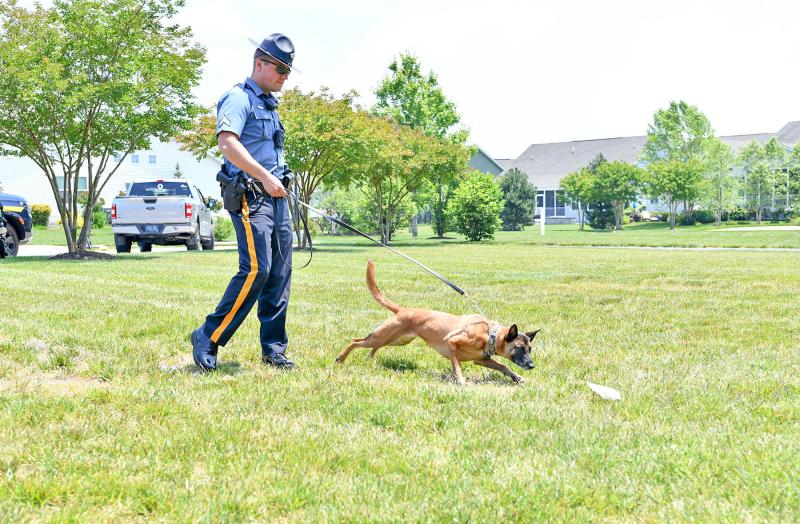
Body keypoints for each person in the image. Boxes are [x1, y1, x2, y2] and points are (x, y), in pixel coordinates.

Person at [191, 34, 297, 371]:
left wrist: (278, 179)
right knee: (257, 270)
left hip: (277, 199)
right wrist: (265, 177)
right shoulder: (238, 98)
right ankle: (208, 335)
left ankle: (274, 350)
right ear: (260, 64)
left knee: (279, 273)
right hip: (252, 197)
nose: (284, 76)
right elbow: (228, 144)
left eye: (288, 71)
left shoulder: (269, 104)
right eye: (280, 69)